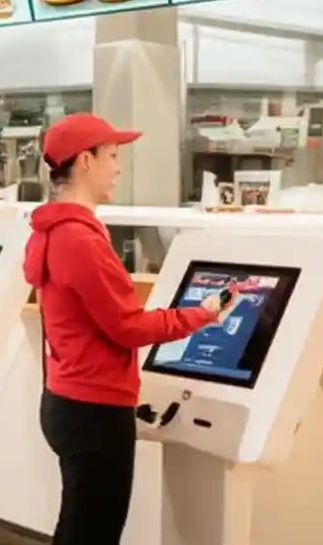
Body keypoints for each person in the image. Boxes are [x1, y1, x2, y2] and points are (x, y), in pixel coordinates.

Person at [23, 113, 238, 544]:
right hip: (95, 409)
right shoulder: (80, 240)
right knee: (94, 532)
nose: (119, 167)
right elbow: (128, 326)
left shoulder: (52, 231)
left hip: (66, 398)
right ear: (85, 162)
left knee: (79, 525)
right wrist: (204, 313)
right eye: (113, 156)